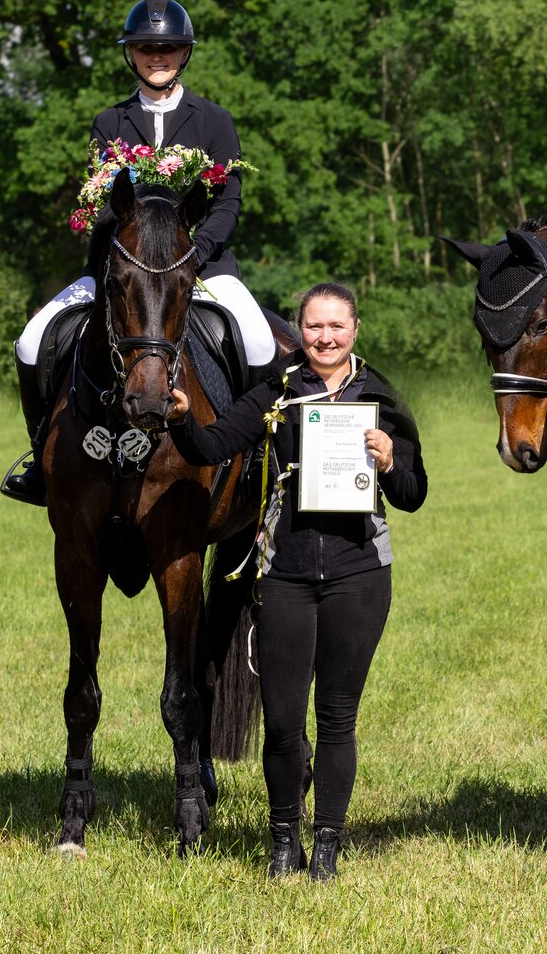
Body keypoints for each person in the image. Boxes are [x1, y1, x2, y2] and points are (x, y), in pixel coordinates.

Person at [166, 283, 427, 881]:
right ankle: (284, 842)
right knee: (283, 721)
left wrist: (390, 462)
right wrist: (182, 420)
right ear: (299, 329)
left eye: (336, 326)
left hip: (359, 576)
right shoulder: (276, 391)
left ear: (355, 329)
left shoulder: (380, 396)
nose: (325, 337)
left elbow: (414, 494)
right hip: (282, 575)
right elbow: (212, 444)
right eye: (314, 326)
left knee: (337, 718)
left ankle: (327, 848)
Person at [2, 0, 275, 505]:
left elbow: (228, 201)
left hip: (200, 264)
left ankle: (253, 459)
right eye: (147, 47)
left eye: (168, 48)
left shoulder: (215, 120)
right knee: (31, 339)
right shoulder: (110, 122)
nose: (157, 56)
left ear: (184, 54)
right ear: (132, 54)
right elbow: (106, 204)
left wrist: (197, 250)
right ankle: (41, 457)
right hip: (122, 269)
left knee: (258, 341)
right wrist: (124, 252)